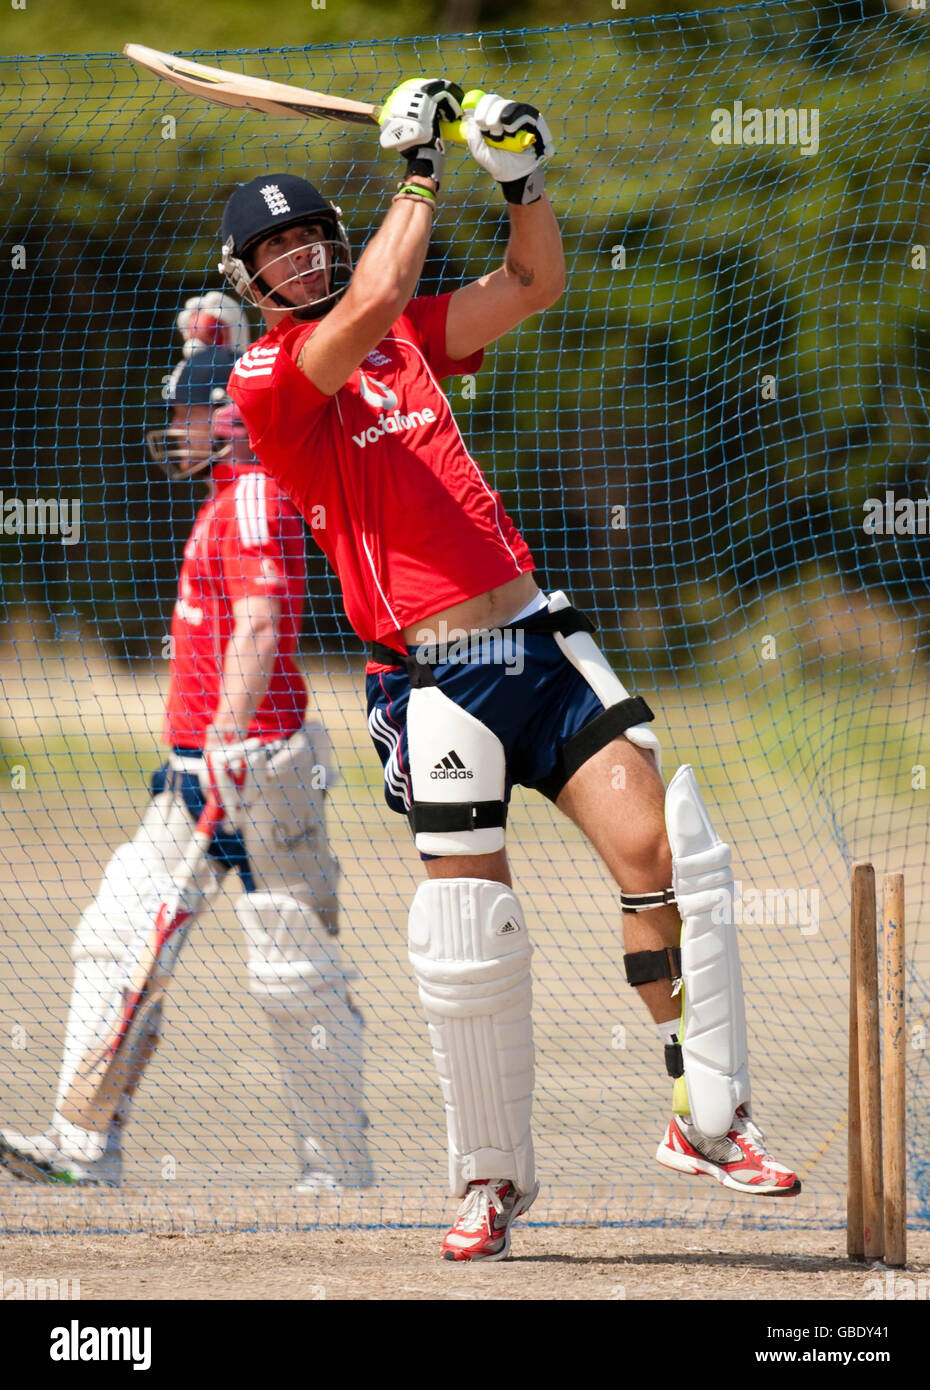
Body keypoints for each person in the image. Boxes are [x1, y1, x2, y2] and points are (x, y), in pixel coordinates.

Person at [219, 81, 800, 1259]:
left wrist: (520, 176)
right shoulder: (273, 384)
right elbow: (381, 281)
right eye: (274, 252)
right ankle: (487, 1179)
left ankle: (707, 1113)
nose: (301, 259)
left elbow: (533, 283)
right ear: (249, 283)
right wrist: (423, 170)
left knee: (663, 853)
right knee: (469, 924)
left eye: (311, 237)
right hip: (430, 678)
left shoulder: (401, 338)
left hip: (533, 637)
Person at [0, 327, 372, 1194]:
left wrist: (229, 737)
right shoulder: (234, 491)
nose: (174, 424)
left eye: (187, 410)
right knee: (120, 935)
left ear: (229, 421)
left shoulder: (248, 500)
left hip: (255, 768)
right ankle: (85, 1145)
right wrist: (221, 340)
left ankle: (338, 1171)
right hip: (210, 768)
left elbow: (262, 622)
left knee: (294, 972)